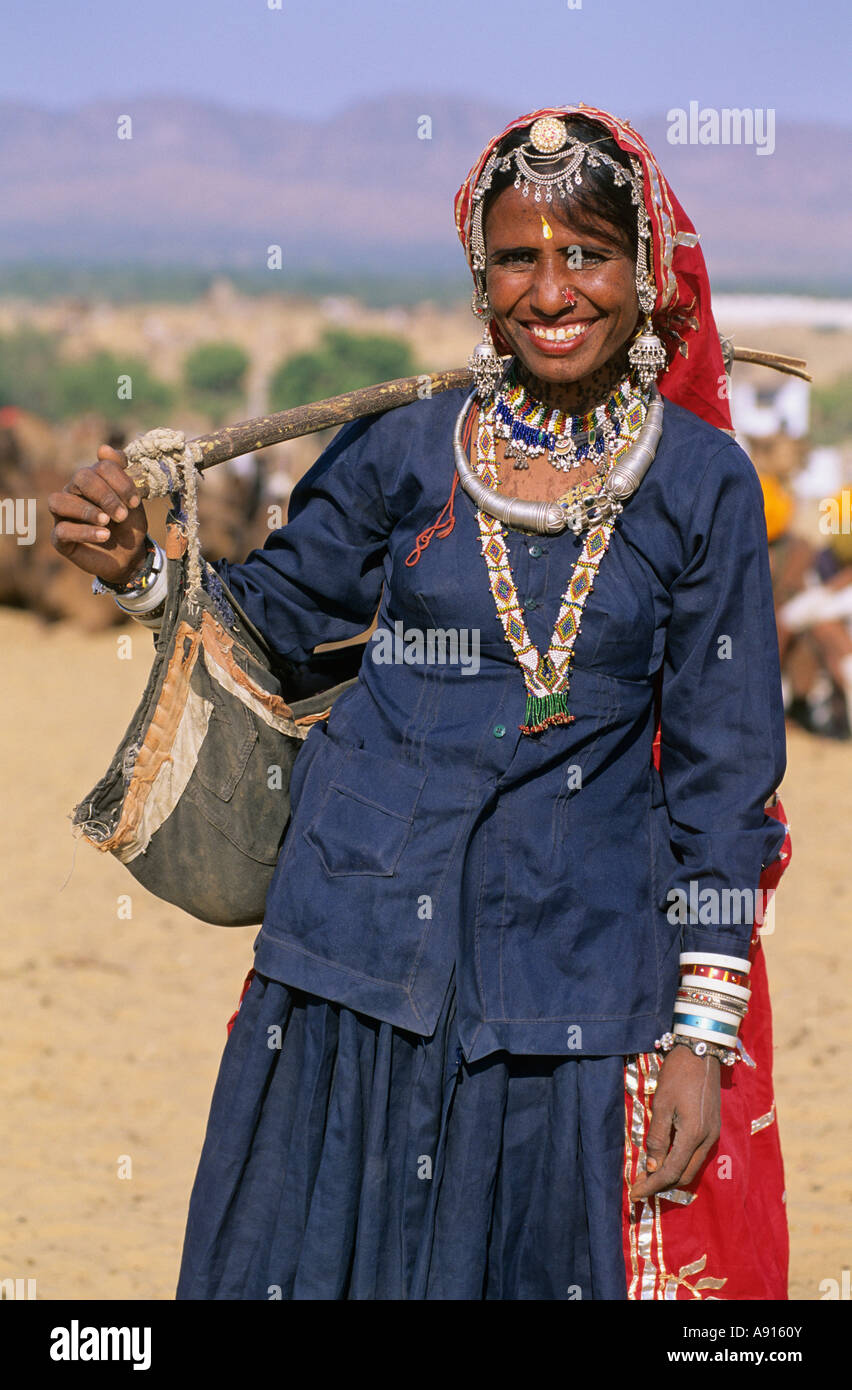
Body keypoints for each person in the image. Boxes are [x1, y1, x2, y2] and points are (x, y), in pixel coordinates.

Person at [48, 105, 789, 1300]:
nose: (552, 290)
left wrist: (703, 1041)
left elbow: (726, 780)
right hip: (346, 967)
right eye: (518, 259)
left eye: (586, 255)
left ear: (645, 271)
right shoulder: (409, 448)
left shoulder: (701, 487)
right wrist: (142, 563)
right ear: (479, 279)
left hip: (562, 1003)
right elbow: (265, 623)